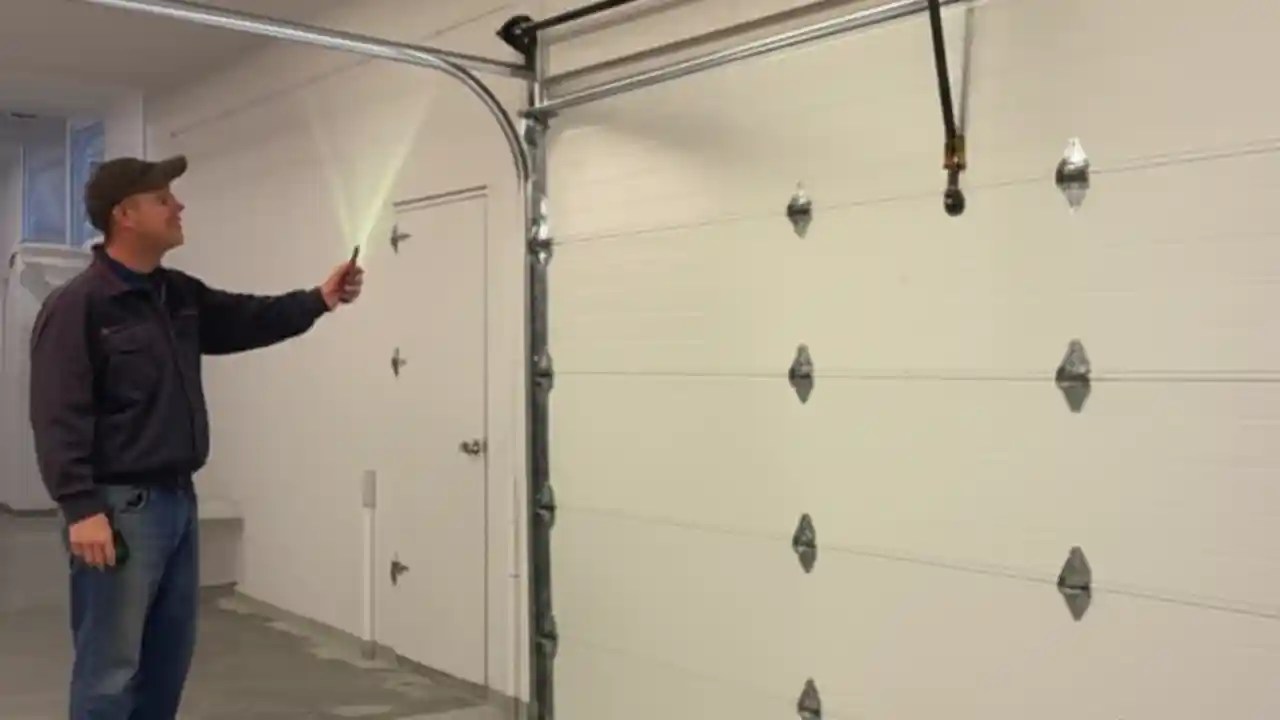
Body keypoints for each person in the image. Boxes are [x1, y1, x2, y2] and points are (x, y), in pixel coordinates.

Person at [27, 154, 364, 719]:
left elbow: (246, 318)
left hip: (177, 501)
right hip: (118, 511)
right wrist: (80, 506)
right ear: (125, 215)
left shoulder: (175, 295)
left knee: (166, 661)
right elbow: (56, 411)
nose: (178, 206)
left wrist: (318, 299)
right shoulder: (80, 306)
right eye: (163, 198)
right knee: (110, 669)